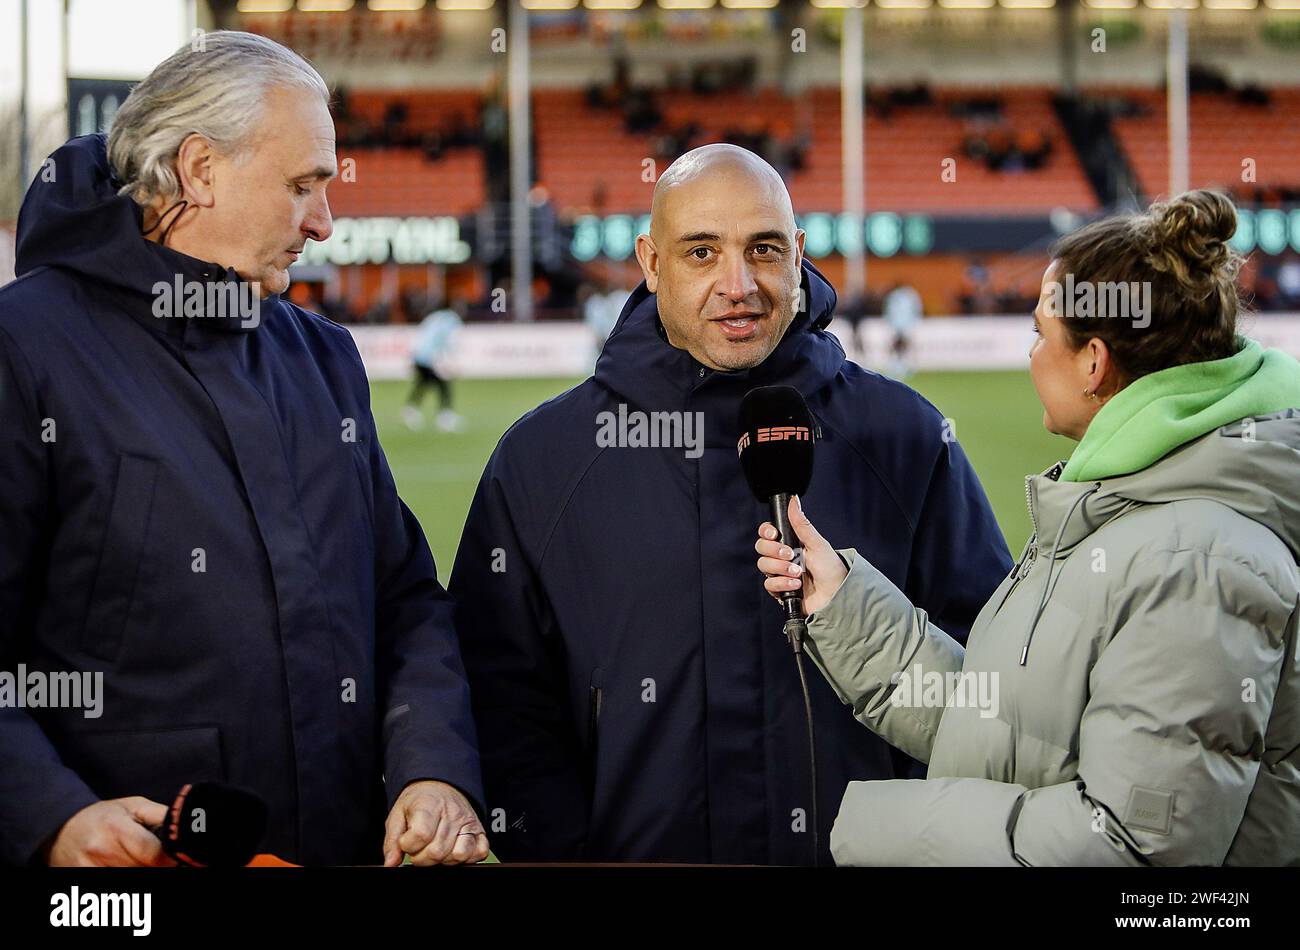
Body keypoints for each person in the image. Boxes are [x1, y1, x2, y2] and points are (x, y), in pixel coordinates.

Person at [0, 32, 487, 867]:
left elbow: (406, 602)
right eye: (303, 186)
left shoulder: (323, 357)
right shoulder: (24, 349)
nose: (325, 223)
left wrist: (432, 769)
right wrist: (50, 818)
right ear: (198, 170)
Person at [450, 143, 1010, 865]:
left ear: (799, 253)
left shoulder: (903, 437)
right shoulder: (544, 460)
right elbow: (500, 700)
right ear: (651, 264)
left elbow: (989, 672)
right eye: (702, 253)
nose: (738, 283)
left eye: (764, 250)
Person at [755, 189, 1300, 865]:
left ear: (1094, 361)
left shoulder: (1196, 559)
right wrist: (844, 606)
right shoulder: (1122, 510)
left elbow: (1132, 849)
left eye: (1041, 332)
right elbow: (1011, 730)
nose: (1031, 353)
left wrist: (879, 828)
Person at [402, 297, 465, 433]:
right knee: (443, 386)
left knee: (424, 384)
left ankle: (411, 410)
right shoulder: (452, 320)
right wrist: (451, 362)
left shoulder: (434, 317)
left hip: (419, 355)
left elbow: (424, 335)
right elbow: (446, 341)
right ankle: (445, 418)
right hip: (428, 357)